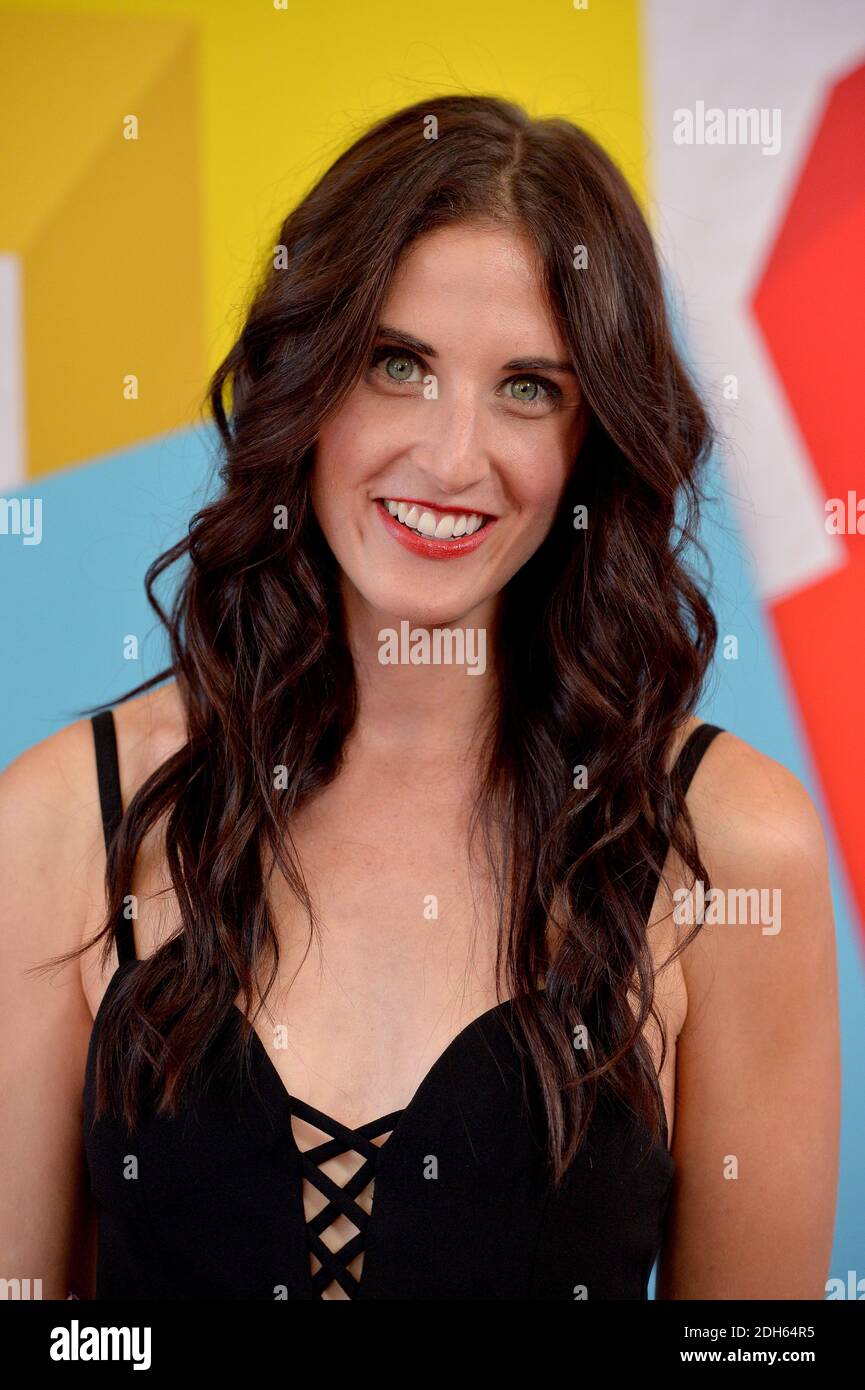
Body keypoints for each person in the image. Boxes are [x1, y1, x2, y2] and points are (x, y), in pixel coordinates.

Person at [0, 95, 839, 1301]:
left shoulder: (732, 843)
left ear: (590, 436)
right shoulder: (64, 817)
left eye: (528, 389)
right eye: (399, 365)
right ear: (309, 379)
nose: (452, 459)